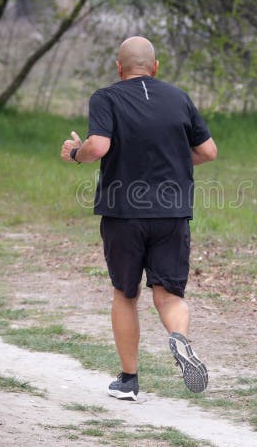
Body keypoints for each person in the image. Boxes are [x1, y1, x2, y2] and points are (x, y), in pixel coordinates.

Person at [60, 36, 217, 401]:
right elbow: (208, 151)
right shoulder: (179, 98)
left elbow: (98, 147)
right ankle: (179, 339)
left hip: (124, 212)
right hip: (172, 212)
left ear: (119, 68)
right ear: (155, 67)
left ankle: (129, 380)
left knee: (125, 294)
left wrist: (75, 154)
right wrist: (176, 157)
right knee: (169, 294)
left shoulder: (107, 97)